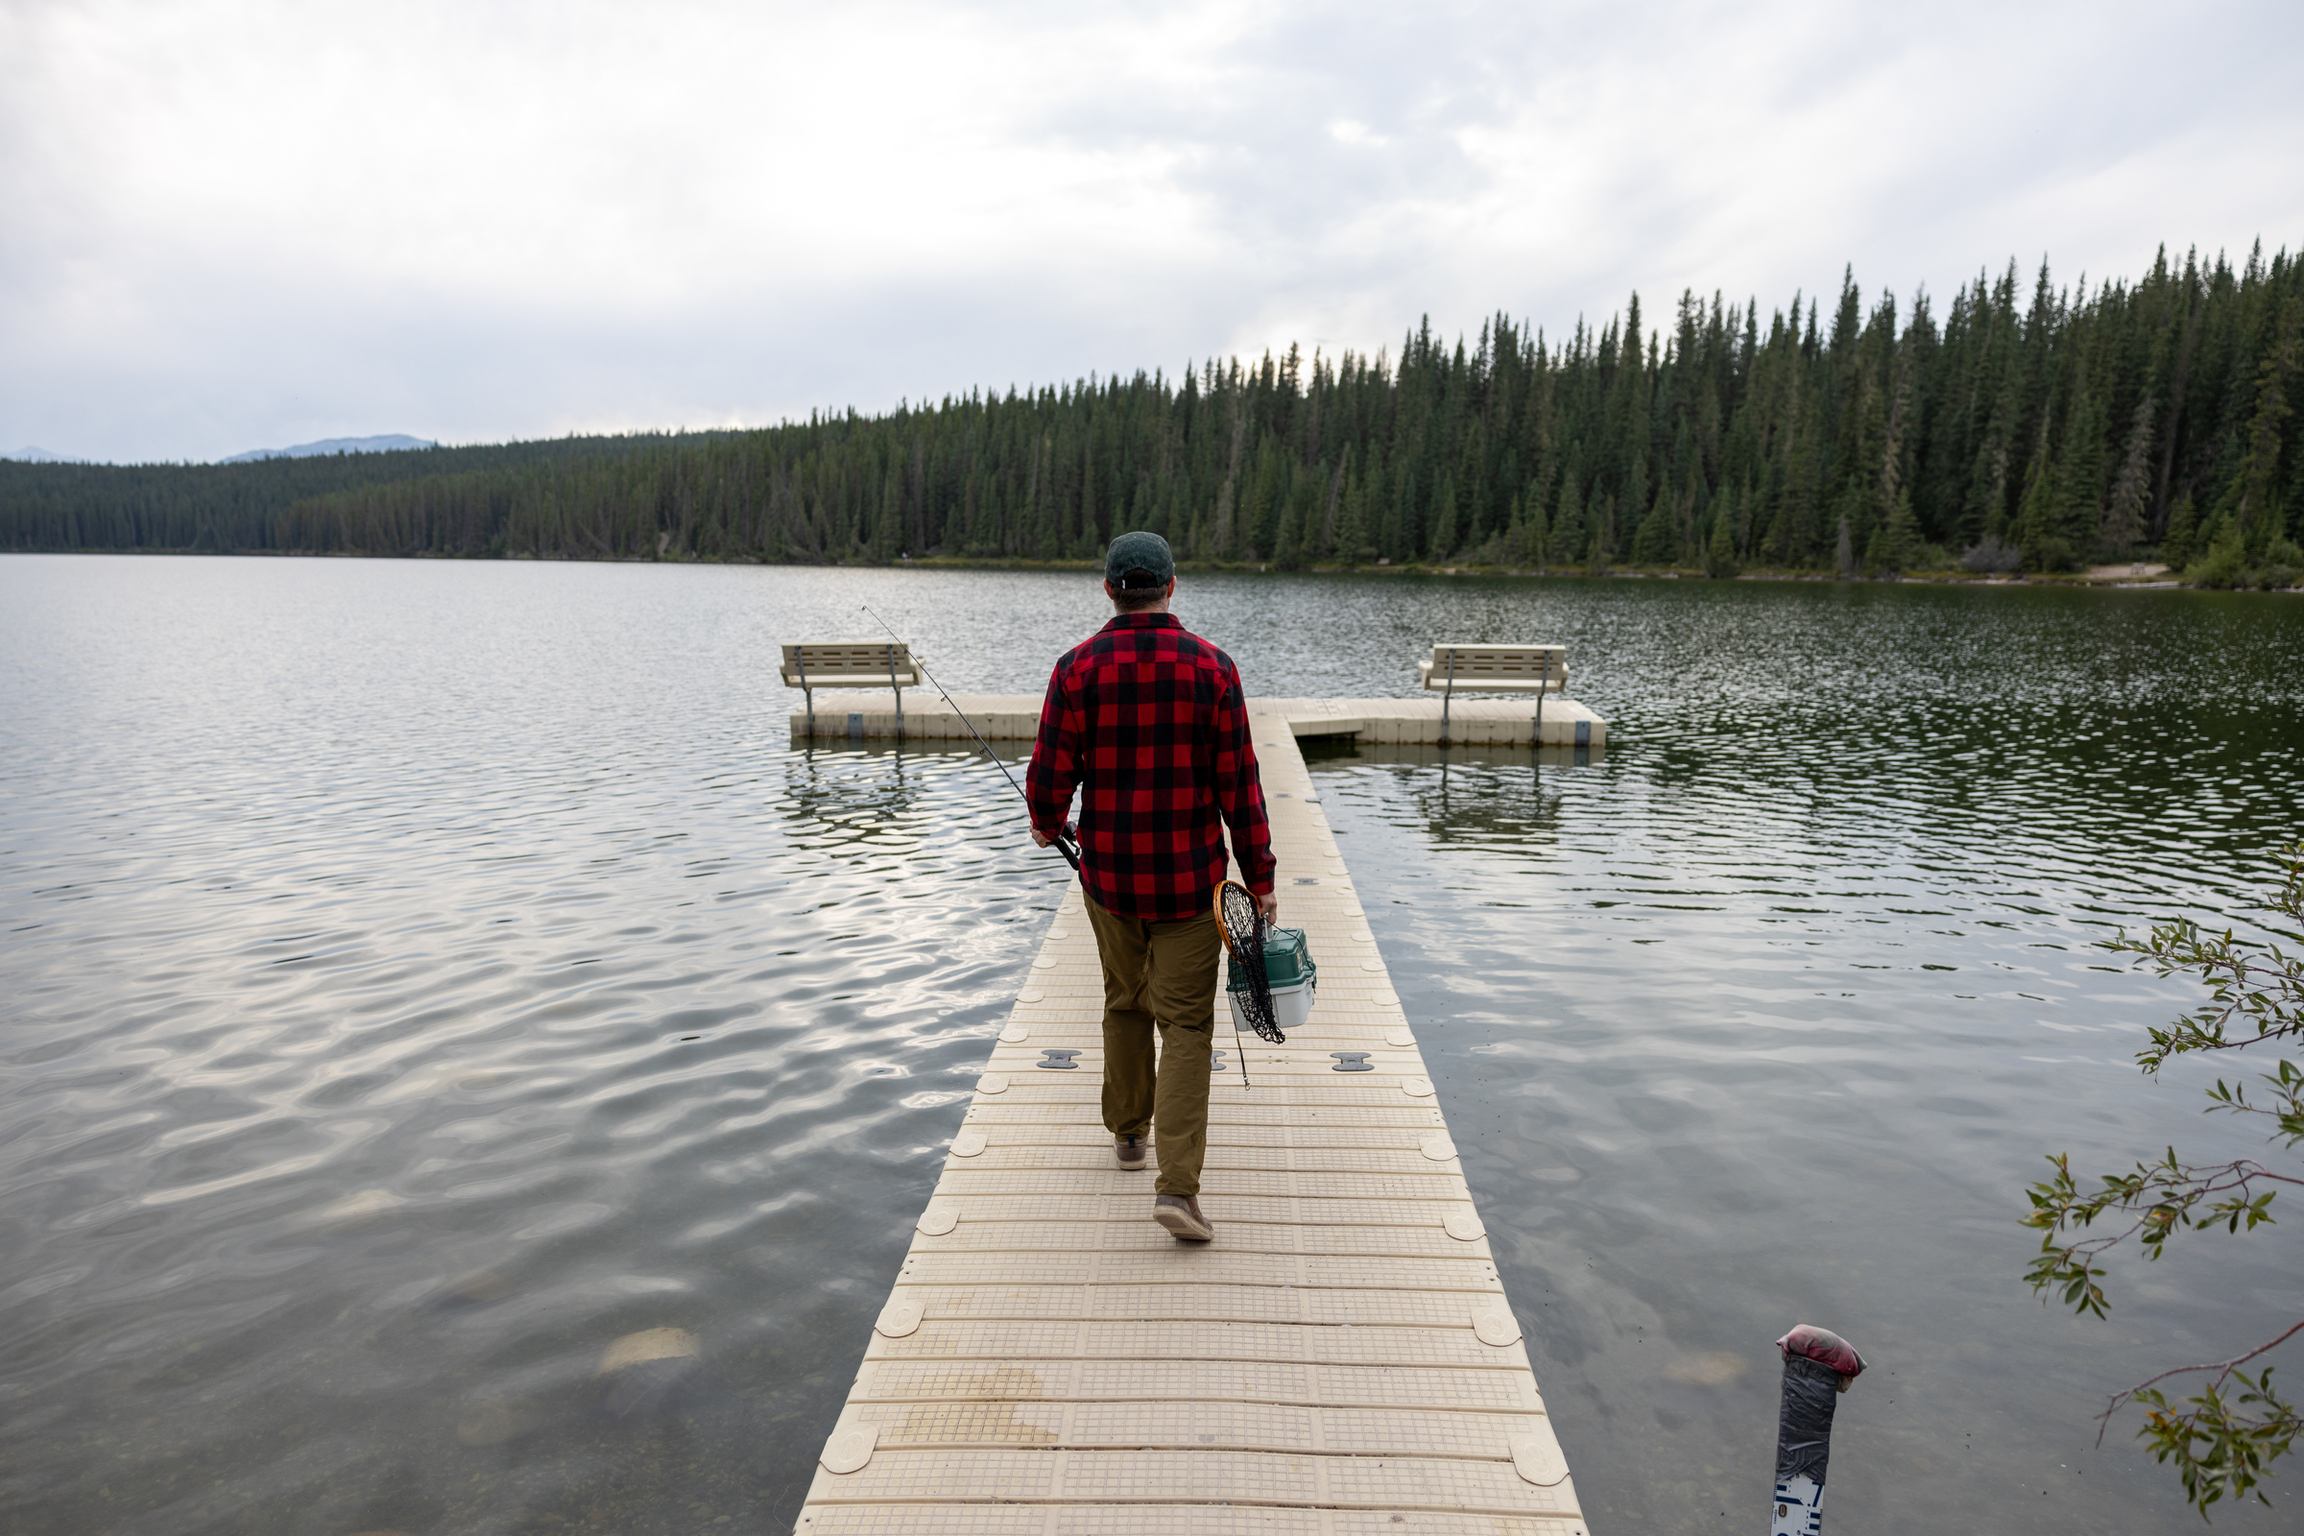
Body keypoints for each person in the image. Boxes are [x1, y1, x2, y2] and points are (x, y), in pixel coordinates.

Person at [1026, 531, 1277, 1243]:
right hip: (1192, 882)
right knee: (1188, 1026)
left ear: (1110, 589)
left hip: (1109, 878)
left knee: (1124, 1001)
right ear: (1172, 587)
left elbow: (1048, 781)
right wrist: (1260, 880)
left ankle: (1129, 1133)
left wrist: (1048, 823)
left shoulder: (1075, 670)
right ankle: (1177, 1190)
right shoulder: (1214, 669)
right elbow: (1242, 790)